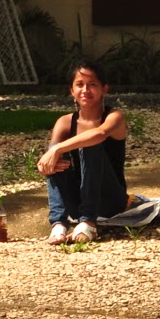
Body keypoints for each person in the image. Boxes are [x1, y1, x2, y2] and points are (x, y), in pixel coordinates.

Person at [37, 59, 129, 244]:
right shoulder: (64, 122)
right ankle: (58, 223)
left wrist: (58, 149)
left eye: (92, 84)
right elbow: (50, 159)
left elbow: (99, 134)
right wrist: (46, 165)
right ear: (72, 91)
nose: (85, 90)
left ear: (104, 89)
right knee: (55, 153)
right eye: (79, 84)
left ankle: (89, 222)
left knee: (89, 141)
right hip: (76, 202)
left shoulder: (114, 117)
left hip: (111, 200)